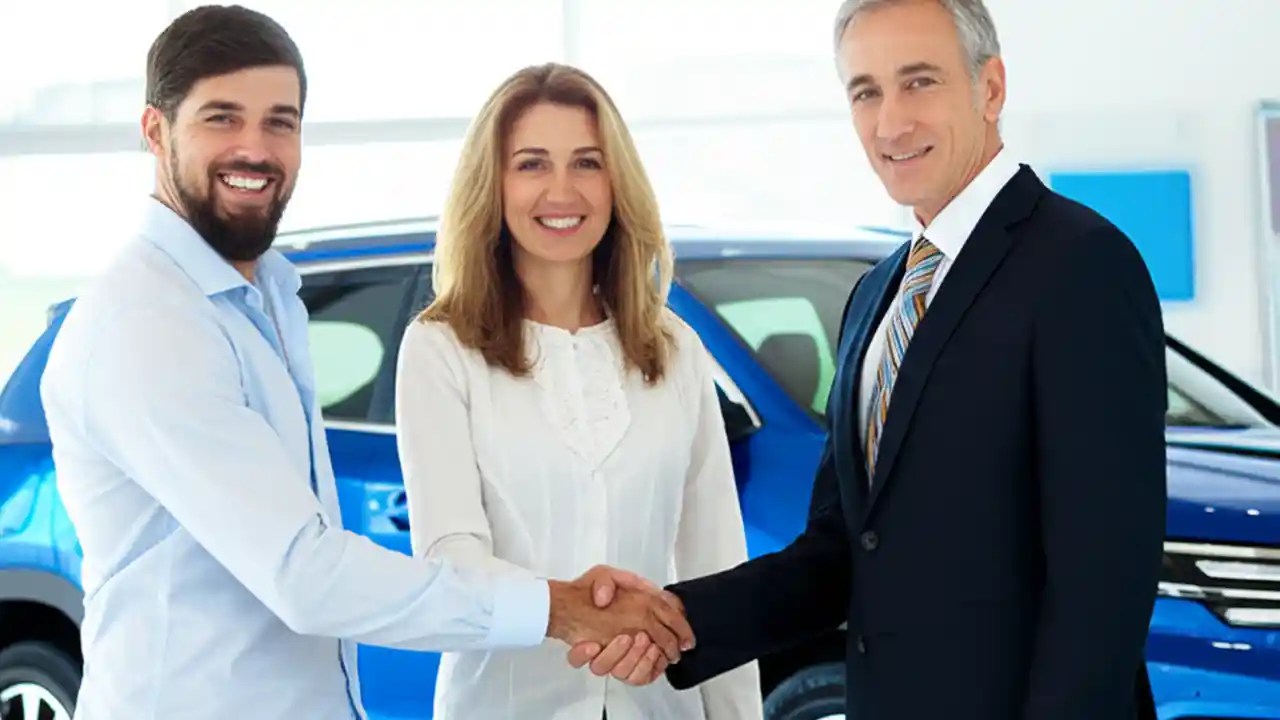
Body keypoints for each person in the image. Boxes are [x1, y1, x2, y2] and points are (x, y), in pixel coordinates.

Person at [38, 8, 690, 720]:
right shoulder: (149, 324)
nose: (255, 148)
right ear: (156, 132)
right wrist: (559, 608)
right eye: (222, 118)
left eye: (280, 122)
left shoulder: (266, 298)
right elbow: (305, 575)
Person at [573, 1, 1167, 719]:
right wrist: (675, 618)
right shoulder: (875, 294)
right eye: (866, 92)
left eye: (920, 82)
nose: (891, 122)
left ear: (992, 88)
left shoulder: (1080, 264)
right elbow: (844, 552)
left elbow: (1103, 580)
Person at [393, 62, 763, 720]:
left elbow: (716, 565)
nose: (562, 191)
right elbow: (452, 560)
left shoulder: (675, 348)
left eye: (587, 163)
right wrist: (579, 612)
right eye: (532, 164)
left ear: (617, 181)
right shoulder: (440, 349)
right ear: (493, 183)